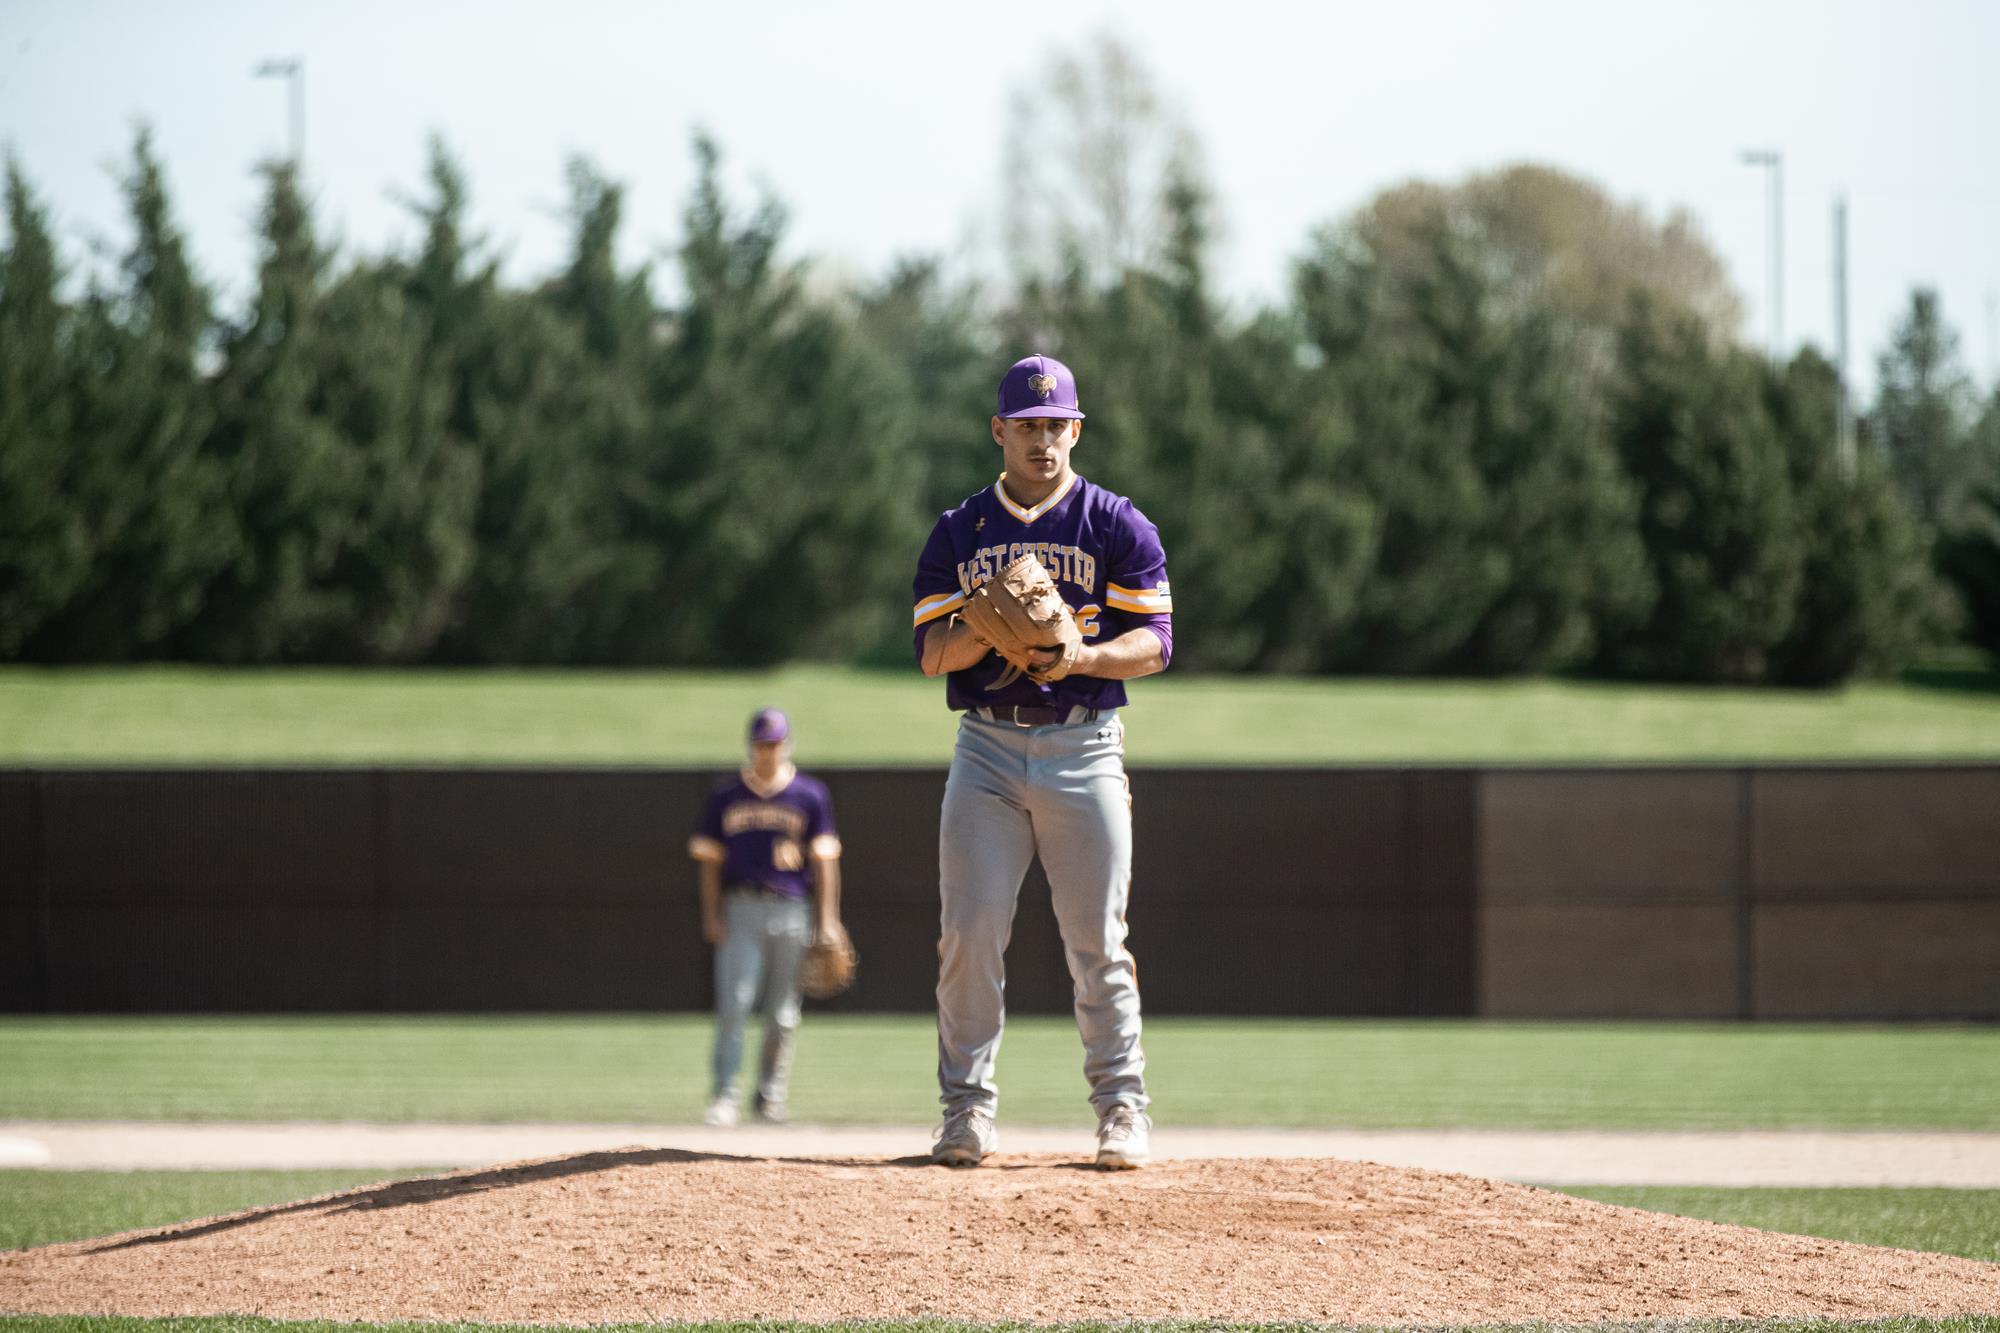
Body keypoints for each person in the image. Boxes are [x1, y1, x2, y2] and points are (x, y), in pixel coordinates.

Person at [911, 353, 1173, 1169]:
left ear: (1077, 430)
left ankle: (1122, 1107)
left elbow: (1156, 643)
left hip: (1083, 744)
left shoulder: (1115, 523)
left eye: (1056, 425)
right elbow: (929, 653)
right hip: (985, 747)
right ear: (999, 432)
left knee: (1097, 937)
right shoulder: (961, 530)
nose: (1043, 440)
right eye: (1027, 426)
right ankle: (964, 1111)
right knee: (970, 933)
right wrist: (989, 629)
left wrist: (1081, 658)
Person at [687, 708, 844, 1127]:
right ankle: (724, 1096)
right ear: (751, 746)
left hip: (793, 909)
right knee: (734, 1005)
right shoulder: (726, 795)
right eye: (762, 744)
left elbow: (826, 861)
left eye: (775, 744)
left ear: (787, 745)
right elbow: (709, 862)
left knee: (782, 1015)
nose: (768, 752)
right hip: (740, 908)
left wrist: (827, 921)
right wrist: (712, 913)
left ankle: (769, 1098)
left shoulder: (809, 794)